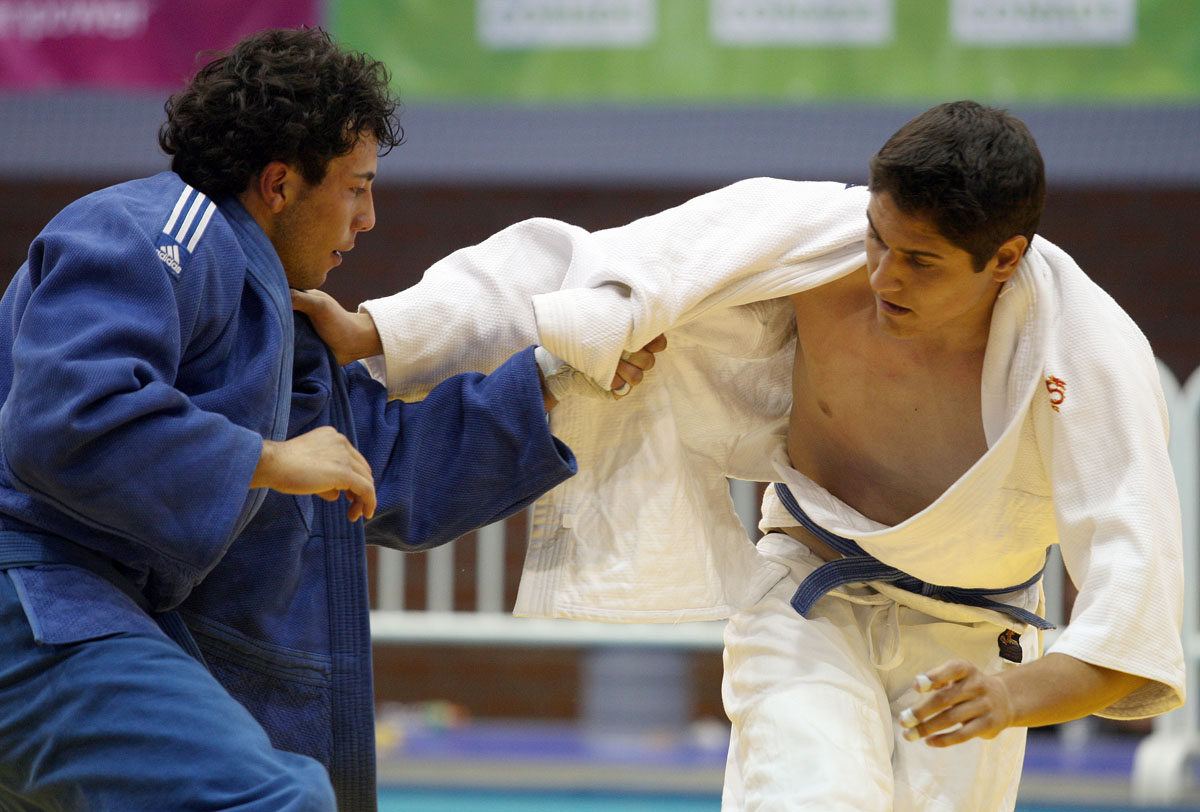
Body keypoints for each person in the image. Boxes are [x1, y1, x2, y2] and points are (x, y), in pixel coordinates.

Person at [301, 101, 1185, 811]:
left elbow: (1133, 609)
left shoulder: (1088, 354)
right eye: (880, 239)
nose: (883, 277)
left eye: (921, 262)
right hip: (806, 584)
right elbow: (580, 269)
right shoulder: (810, 240)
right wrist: (376, 328)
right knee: (814, 795)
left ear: (1006, 259)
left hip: (977, 630)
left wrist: (1013, 697)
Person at [0, 27, 662, 812]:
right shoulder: (149, 231)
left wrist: (559, 378)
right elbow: (67, 416)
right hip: (32, 595)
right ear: (279, 184)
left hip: (100, 610)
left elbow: (376, 465)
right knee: (279, 800)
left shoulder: (275, 313)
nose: (370, 217)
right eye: (355, 187)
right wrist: (268, 460)